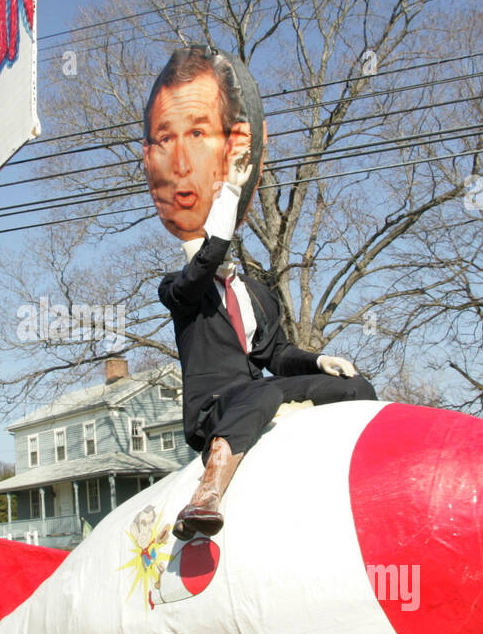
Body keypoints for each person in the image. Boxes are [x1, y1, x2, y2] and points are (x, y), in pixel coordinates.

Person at [147, 46, 376, 539]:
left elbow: (277, 354)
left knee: (355, 387)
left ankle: (352, 491)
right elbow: (207, 257)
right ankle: (208, 490)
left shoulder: (255, 292)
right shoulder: (178, 290)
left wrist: (318, 362)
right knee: (259, 393)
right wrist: (229, 189)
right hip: (216, 407)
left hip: (262, 393)